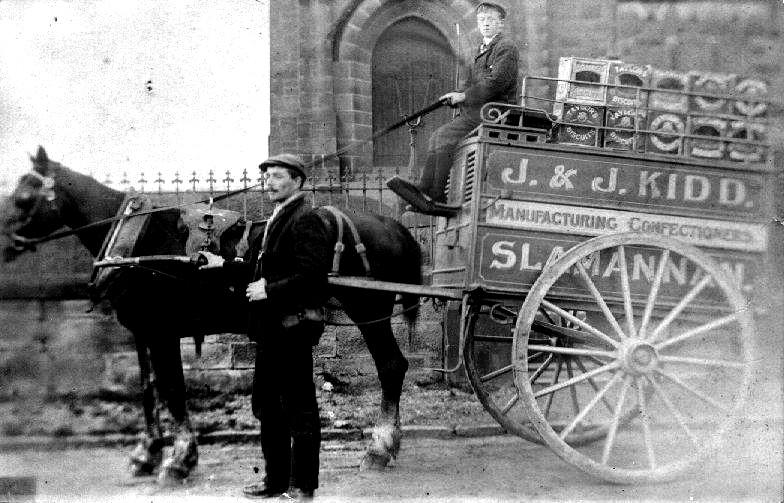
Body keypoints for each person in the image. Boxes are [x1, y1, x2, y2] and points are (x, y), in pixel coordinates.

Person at [199, 153, 329, 501]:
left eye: (277, 176)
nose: (268, 182)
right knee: (268, 406)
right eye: (266, 176)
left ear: (297, 181)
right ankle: (275, 481)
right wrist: (222, 263)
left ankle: (304, 488)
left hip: (292, 327)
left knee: (299, 407)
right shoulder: (275, 218)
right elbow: (254, 269)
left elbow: (313, 277)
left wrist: (269, 290)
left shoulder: (306, 219)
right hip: (270, 329)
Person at [387, 1, 519, 217]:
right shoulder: (482, 50)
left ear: (500, 23)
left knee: (445, 135)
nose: (485, 24)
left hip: (497, 112)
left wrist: (464, 96)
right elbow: (472, 82)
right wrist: (456, 95)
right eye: (482, 20)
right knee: (436, 136)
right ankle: (426, 189)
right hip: (479, 111)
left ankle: (436, 195)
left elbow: (497, 83)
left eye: (491, 20)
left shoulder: (506, 48)